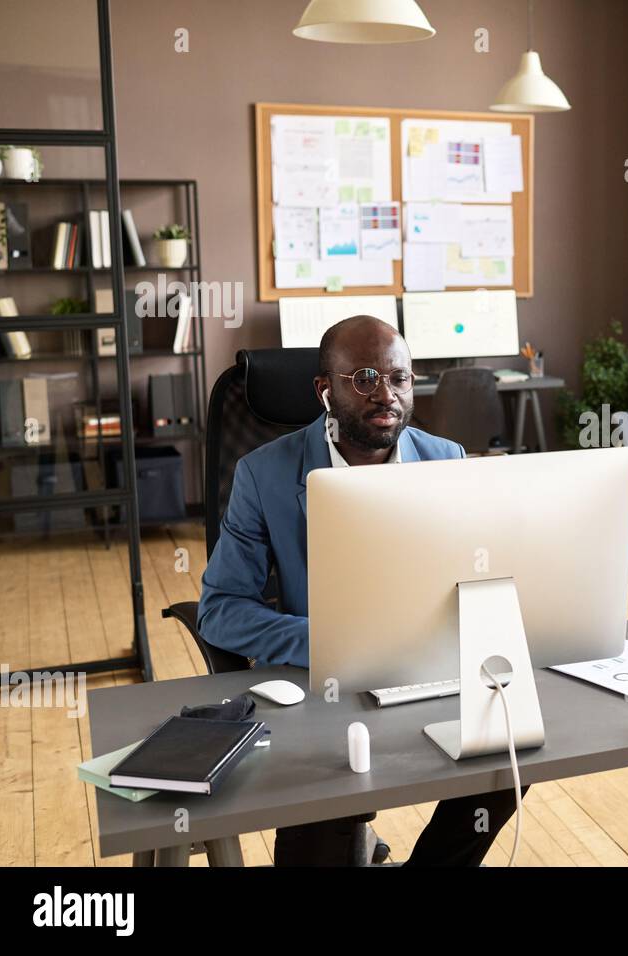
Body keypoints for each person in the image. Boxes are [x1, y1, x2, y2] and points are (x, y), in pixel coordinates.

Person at [198, 315, 524, 865]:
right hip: (324, 684)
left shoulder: (446, 461)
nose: (386, 394)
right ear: (324, 389)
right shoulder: (265, 473)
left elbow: (480, 576)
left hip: (429, 669)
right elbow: (220, 611)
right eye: (366, 377)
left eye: (400, 378)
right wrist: (327, 641)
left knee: (511, 757)